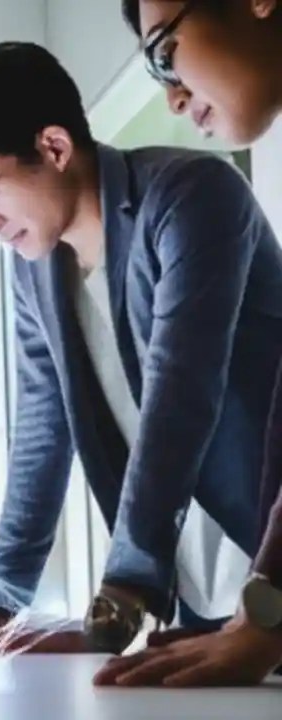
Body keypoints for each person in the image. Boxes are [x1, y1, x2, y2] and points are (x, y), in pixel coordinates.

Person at [0, 41, 282, 657]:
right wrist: (2, 600)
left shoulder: (192, 195)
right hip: (198, 600)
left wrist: (125, 586)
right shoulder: (33, 271)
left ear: (53, 147)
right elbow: (41, 434)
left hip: (269, 560)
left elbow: (180, 391)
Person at [94, 0, 282, 687]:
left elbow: (182, 393)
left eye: (163, 52)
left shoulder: (195, 195)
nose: (173, 98)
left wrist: (266, 617)